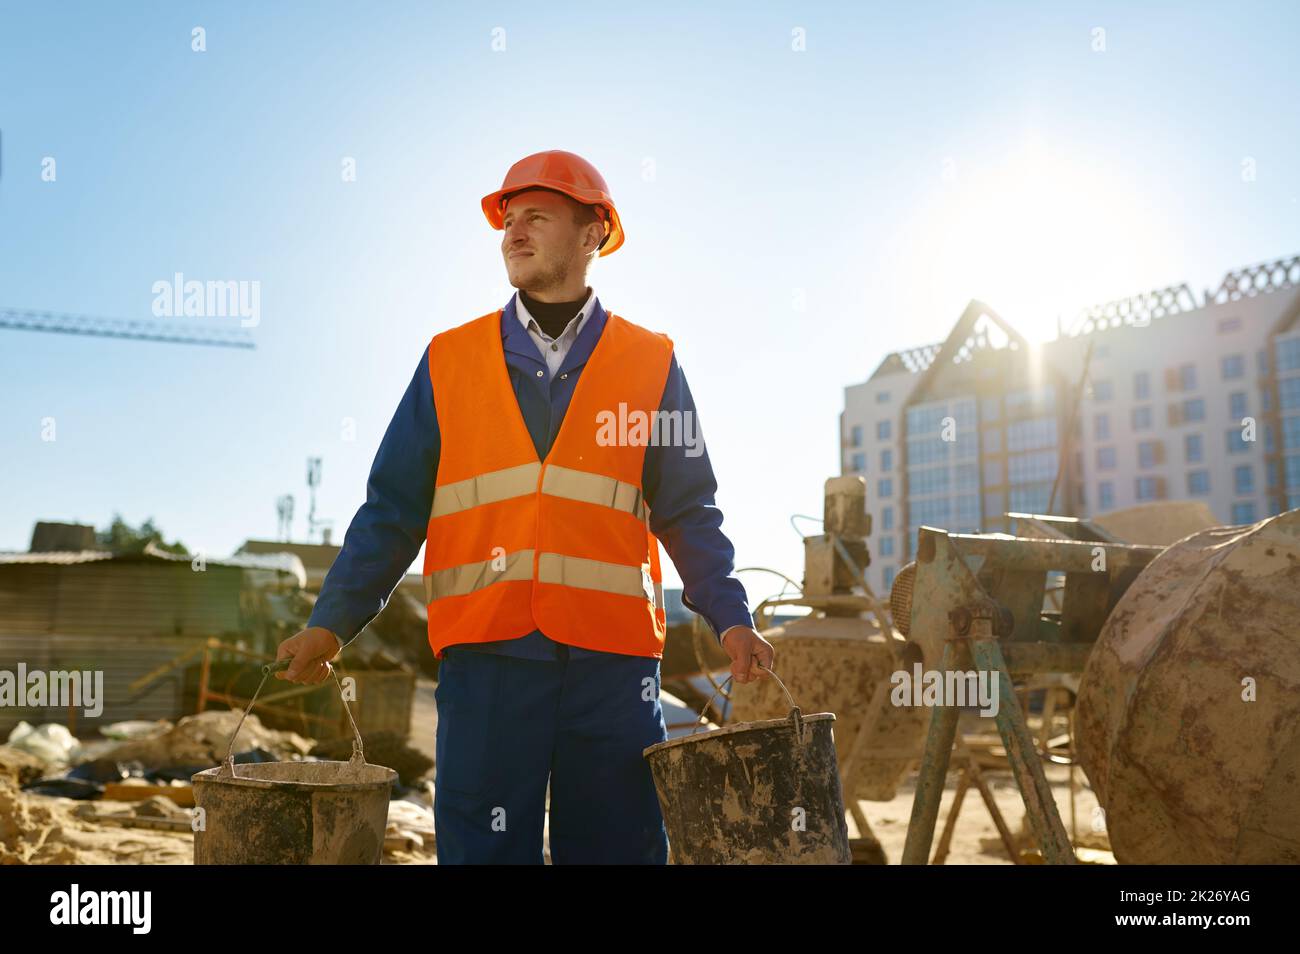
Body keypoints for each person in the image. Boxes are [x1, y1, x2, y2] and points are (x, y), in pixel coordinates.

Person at [275, 149, 774, 863]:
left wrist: (731, 617)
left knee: (618, 854)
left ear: (593, 231)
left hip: (613, 665)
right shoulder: (450, 360)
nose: (513, 232)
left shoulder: (650, 363)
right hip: (488, 660)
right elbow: (392, 510)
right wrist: (331, 624)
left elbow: (689, 510)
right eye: (507, 220)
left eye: (536, 216)